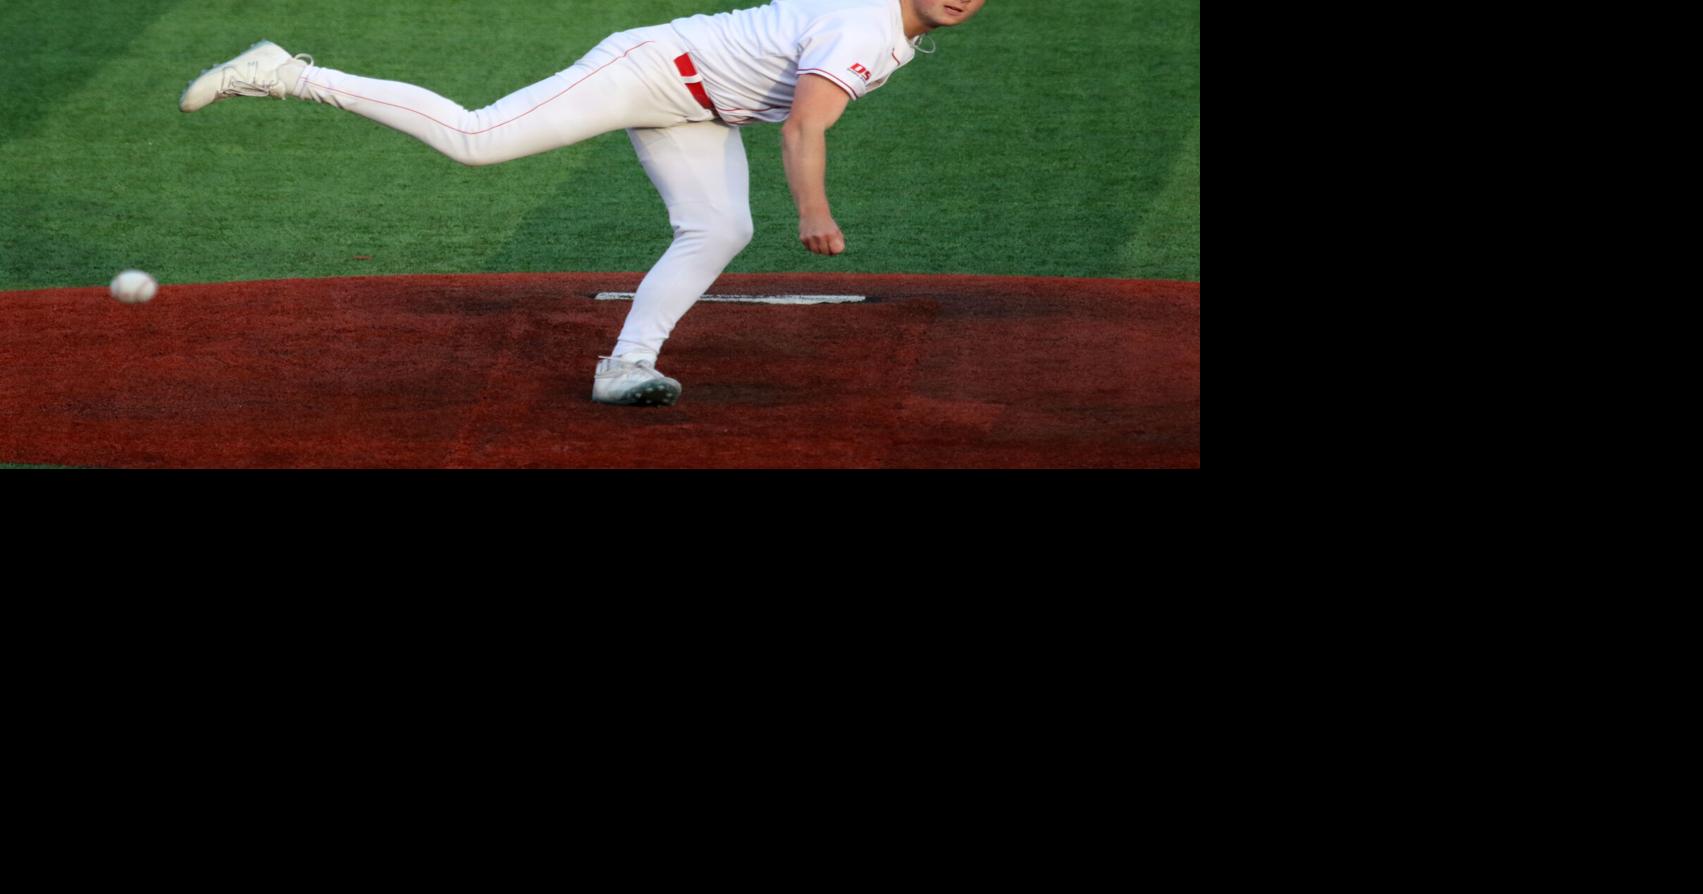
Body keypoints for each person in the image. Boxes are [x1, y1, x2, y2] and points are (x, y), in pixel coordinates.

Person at [180, 0, 986, 406]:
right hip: (649, 70)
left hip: (700, 105)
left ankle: (627, 362)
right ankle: (288, 72)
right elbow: (805, 125)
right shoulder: (861, 27)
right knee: (477, 138)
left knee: (720, 227)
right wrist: (813, 210)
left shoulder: (889, 24)